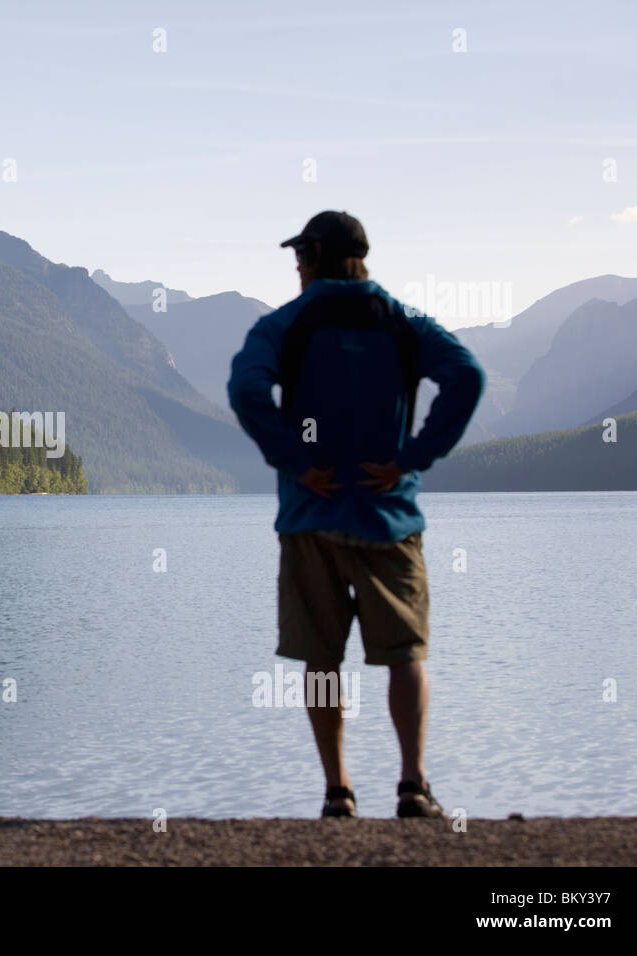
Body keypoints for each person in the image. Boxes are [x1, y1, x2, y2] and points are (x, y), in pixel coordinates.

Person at [227, 211, 484, 819]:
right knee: (406, 653)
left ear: (315, 256)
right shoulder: (402, 321)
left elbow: (246, 389)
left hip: (309, 516)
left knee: (321, 657)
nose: (295, 266)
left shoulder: (285, 323)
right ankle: (414, 788)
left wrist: (292, 459)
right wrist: (413, 456)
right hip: (387, 515)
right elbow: (466, 376)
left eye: (299, 256)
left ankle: (337, 792)